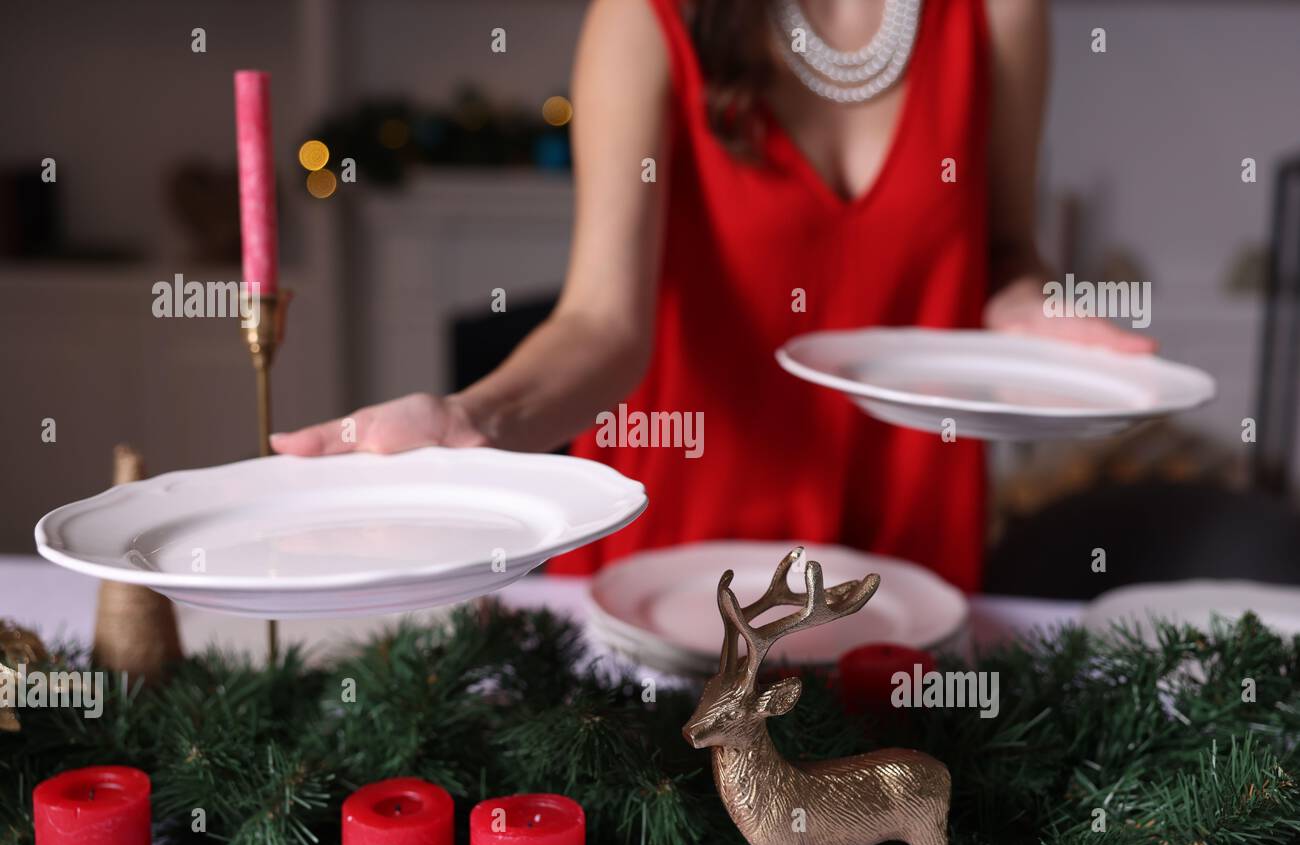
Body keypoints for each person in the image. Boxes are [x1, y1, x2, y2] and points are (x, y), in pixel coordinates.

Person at [272, 0, 1152, 591]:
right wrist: (478, 419)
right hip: (681, 564)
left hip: (903, 561)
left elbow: (1005, 253)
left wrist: (1026, 305)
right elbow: (601, 323)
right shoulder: (646, 17)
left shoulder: (999, 15)